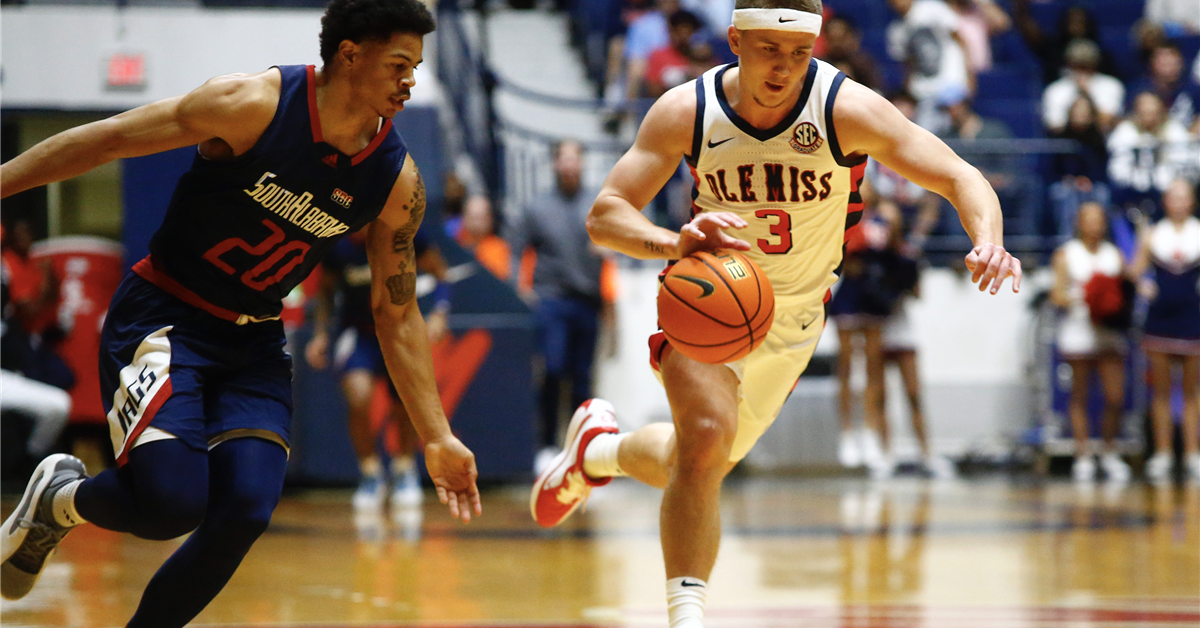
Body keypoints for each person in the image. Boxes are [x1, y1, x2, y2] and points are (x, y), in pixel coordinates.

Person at [530, 3, 1021, 627]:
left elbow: (958, 174)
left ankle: (597, 452)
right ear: (735, 39)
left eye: (798, 53)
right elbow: (607, 213)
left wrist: (990, 239)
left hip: (790, 320)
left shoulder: (845, 109)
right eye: (769, 50)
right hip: (706, 294)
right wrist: (673, 242)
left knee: (699, 461)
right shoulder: (689, 110)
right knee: (706, 443)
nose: (784, 67)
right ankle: (688, 616)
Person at [0, 1, 482, 625]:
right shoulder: (250, 104)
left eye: (415, 66)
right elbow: (107, 141)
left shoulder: (396, 181)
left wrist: (437, 434)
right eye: (398, 64)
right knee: (172, 502)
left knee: (246, 509)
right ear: (349, 54)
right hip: (166, 315)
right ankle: (62, 501)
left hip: (254, 342)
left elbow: (396, 312)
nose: (410, 80)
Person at [305, 225, 452, 511]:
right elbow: (325, 291)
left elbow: (441, 273)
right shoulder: (337, 244)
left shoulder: (403, 236)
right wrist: (320, 333)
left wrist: (440, 313)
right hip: (358, 332)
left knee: (405, 403)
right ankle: (370, 472)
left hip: (400, 332)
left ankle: (404, 468)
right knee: (358, 396)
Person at [505, 140, 612, 474]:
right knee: (552, 370)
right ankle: (547, 446)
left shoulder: (597, 204)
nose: (569, 165)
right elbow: (515, 247)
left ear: (581, 163)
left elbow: (617, 238)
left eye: (574, 158)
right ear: (555, 164)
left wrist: (609, 248)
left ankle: (584, 452)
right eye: (563, 159)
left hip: (587, 301)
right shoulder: (537, 207)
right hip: (550, 299)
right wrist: (518, 289)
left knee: (582, 379)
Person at [1049, 202, 1131, 483]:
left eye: (1099, 220)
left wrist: (1111, 303)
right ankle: (1082, 453)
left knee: (1114, 395)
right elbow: (1056, 295)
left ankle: (1109, 451)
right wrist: (1086, 296)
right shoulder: (1066, 254)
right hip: (1078, 331)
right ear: (1079, 223)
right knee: (1080, 393)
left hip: (1107, 333)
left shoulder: (1114, 255)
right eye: (1089, 219)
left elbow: (1125, 292)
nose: (1094, 225)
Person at [1130, 179, 1200, 482]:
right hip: (1160, 317)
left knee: (1192, 390)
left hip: (1192, 316)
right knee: (1159, 390)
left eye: (1184, 197)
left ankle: (1192, 453)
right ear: (1166, 201)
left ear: (1192, 202)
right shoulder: (1152, 233)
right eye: (1173, 197)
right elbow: (1135, 269)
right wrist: (1141, 282)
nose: (1179, 203)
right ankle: (1162, 452)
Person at [1042, 39, 1125, 135]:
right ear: (1069, 64)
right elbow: (1054, 125)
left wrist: (1086, 93)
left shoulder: (1111, 85)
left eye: (1086, 65)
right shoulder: (1055, 89)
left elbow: (1108, 122)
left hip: (1102, 143)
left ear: (1096, 63)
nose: (1082, 71)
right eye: (1077, 65)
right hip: (1066, 144)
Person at [456, 195, 512, 281]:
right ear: (464, 217)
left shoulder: (500, 249)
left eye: (480, 217)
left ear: (490, 219)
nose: (476, 223)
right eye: (473, 217)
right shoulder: (455, 245)